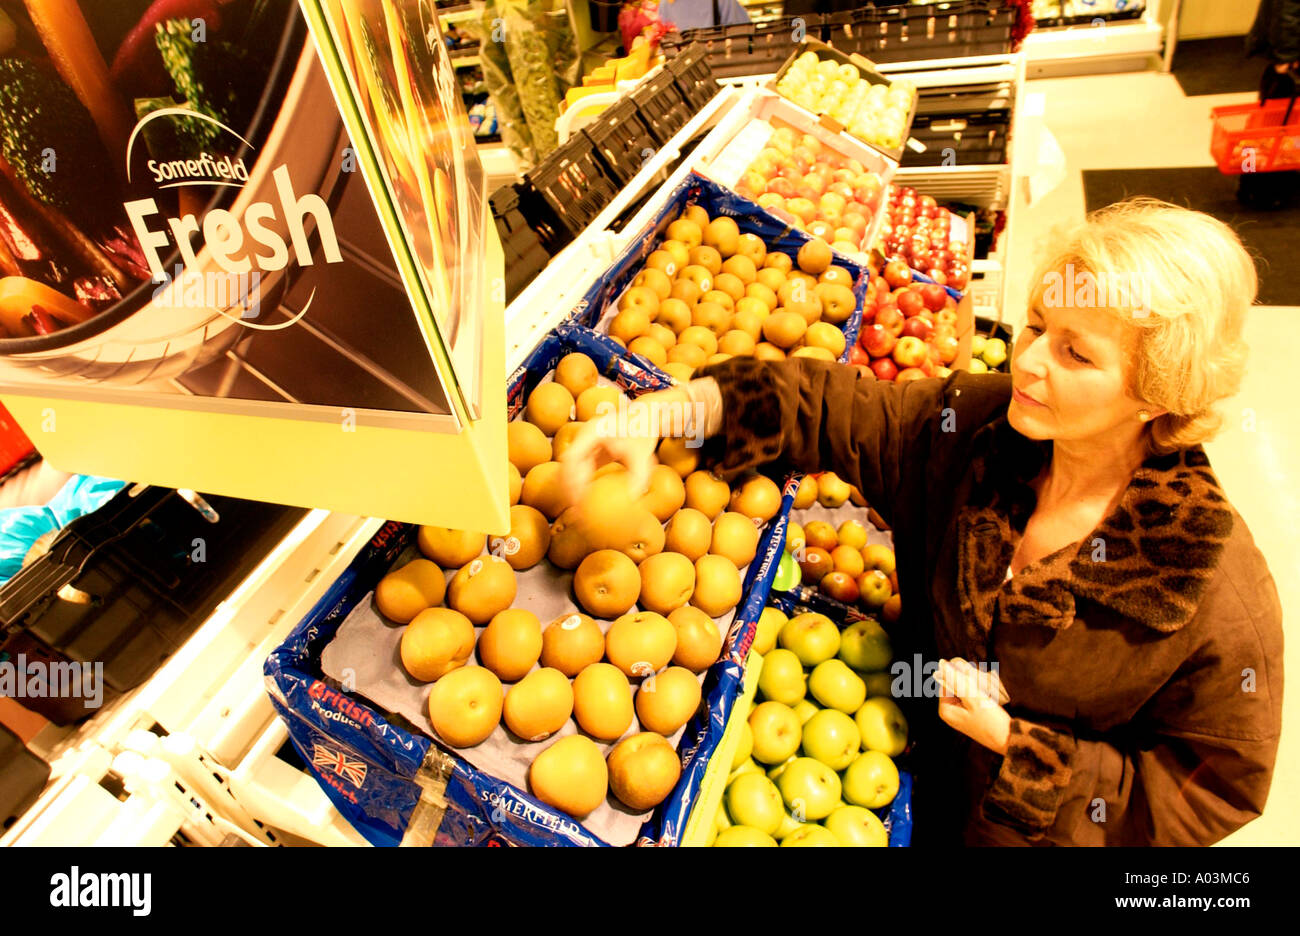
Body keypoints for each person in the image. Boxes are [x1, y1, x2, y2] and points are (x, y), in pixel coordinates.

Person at [561, 198, 1283, 846]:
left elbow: (1210, 791)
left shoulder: (1206, 590)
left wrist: (1016, 744)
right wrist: (666, 410)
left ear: (1158, 394)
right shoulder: (972, 430)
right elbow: (817, 405)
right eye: (1036, 324)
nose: (1027, 362)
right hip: (902, 766)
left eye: (1075, 353)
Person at [1241, 0, 1300, 208]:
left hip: (1285, 56)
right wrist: (1287, 55)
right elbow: (1288, 12)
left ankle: (1255, 184)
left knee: (1270, 124)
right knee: (1277, 126)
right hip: (1289, 59)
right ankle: (1265, 188)